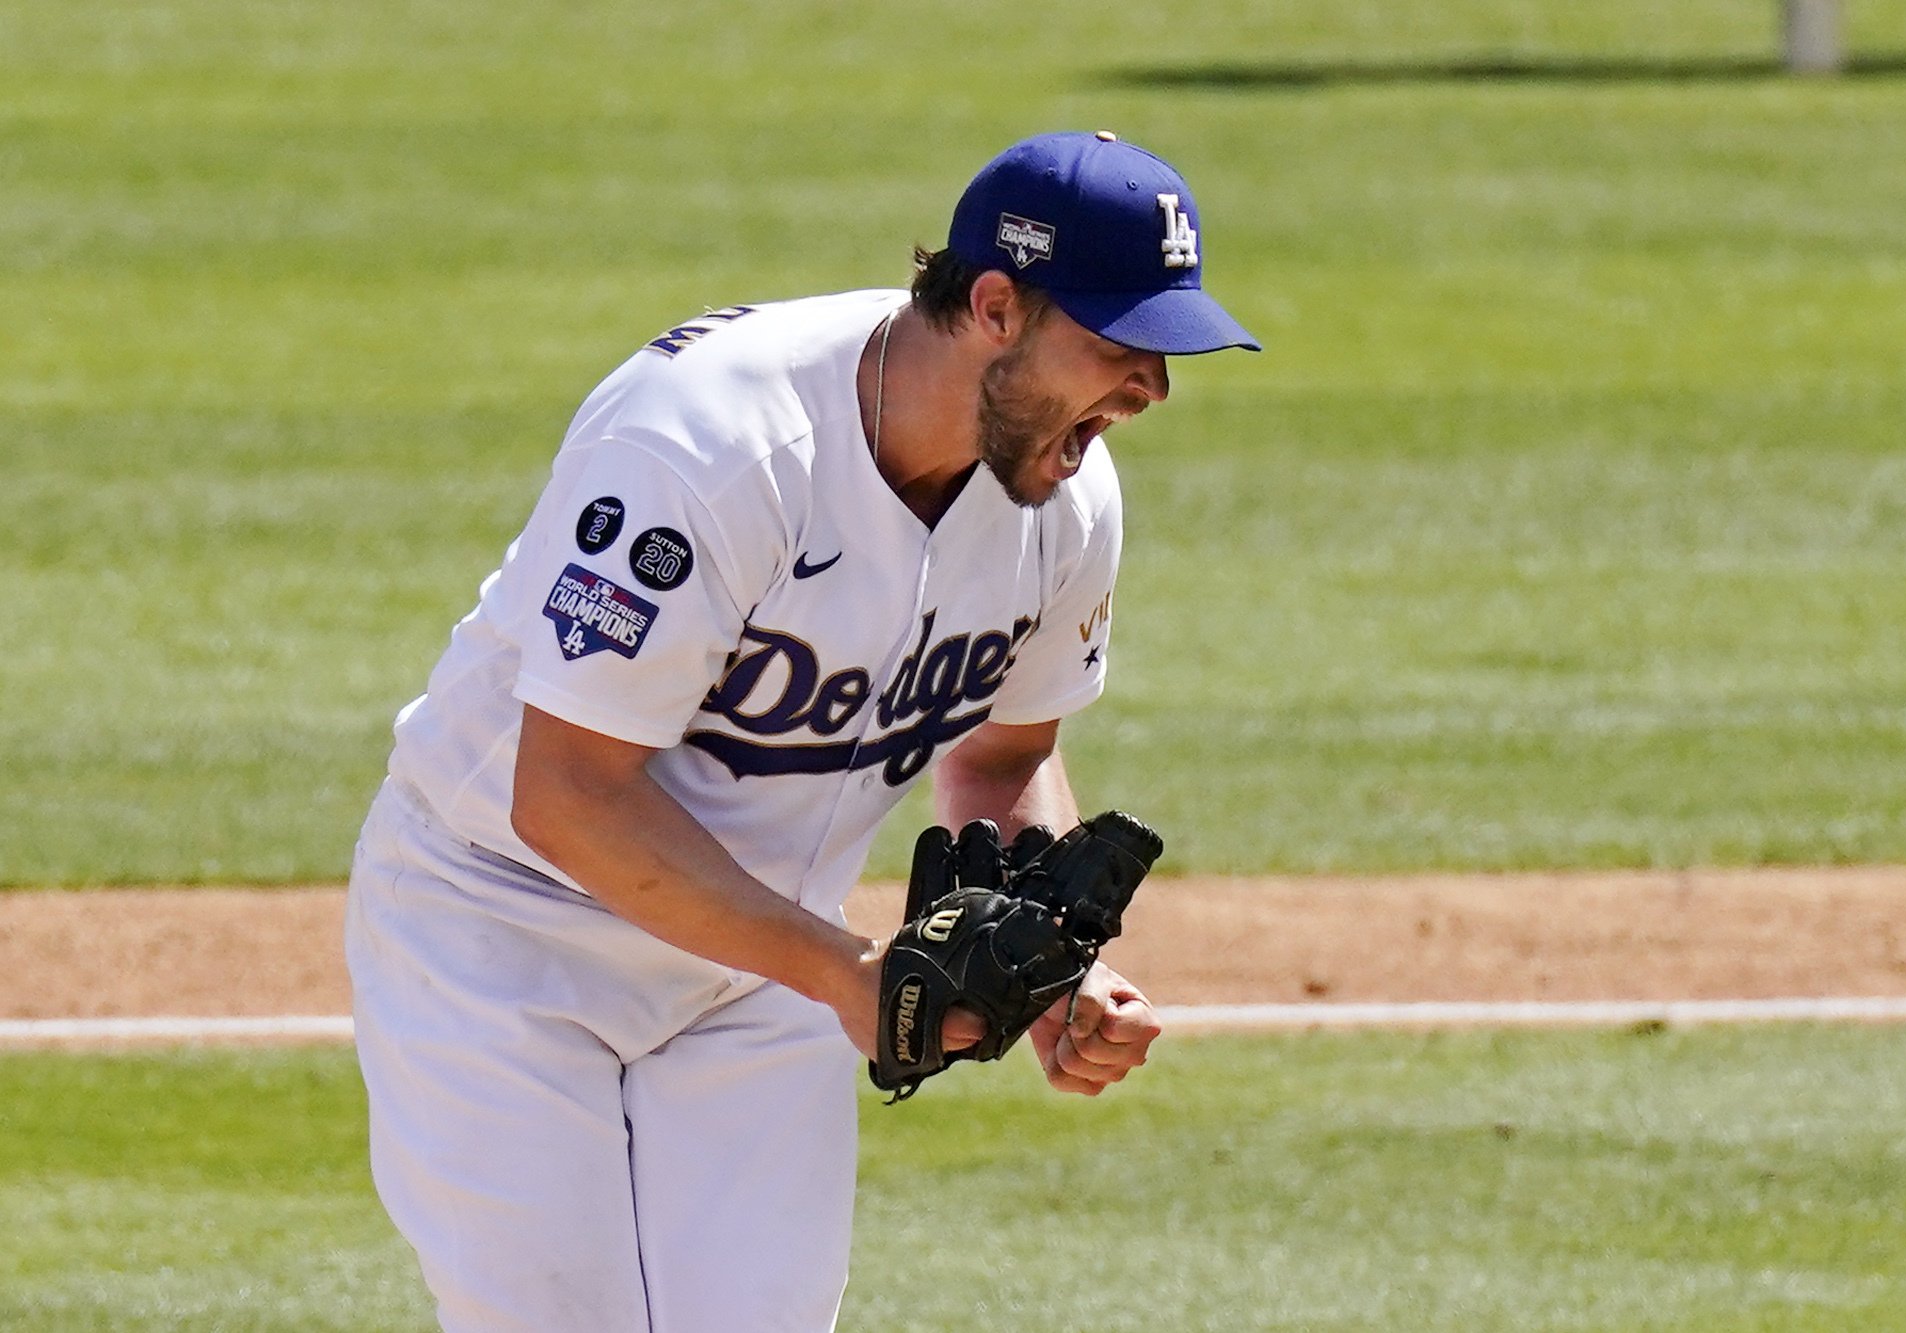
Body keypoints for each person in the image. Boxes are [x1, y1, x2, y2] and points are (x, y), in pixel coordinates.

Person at [344, 129, 1260, 1332]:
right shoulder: (711, 445)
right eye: (1116, 346)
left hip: (766, 958)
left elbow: (1000, 756)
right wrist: (849, 975)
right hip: (504, 933)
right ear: (993, 307)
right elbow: (567, 793)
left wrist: (1043, 959)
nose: (1149, 388)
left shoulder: (1063, 498)